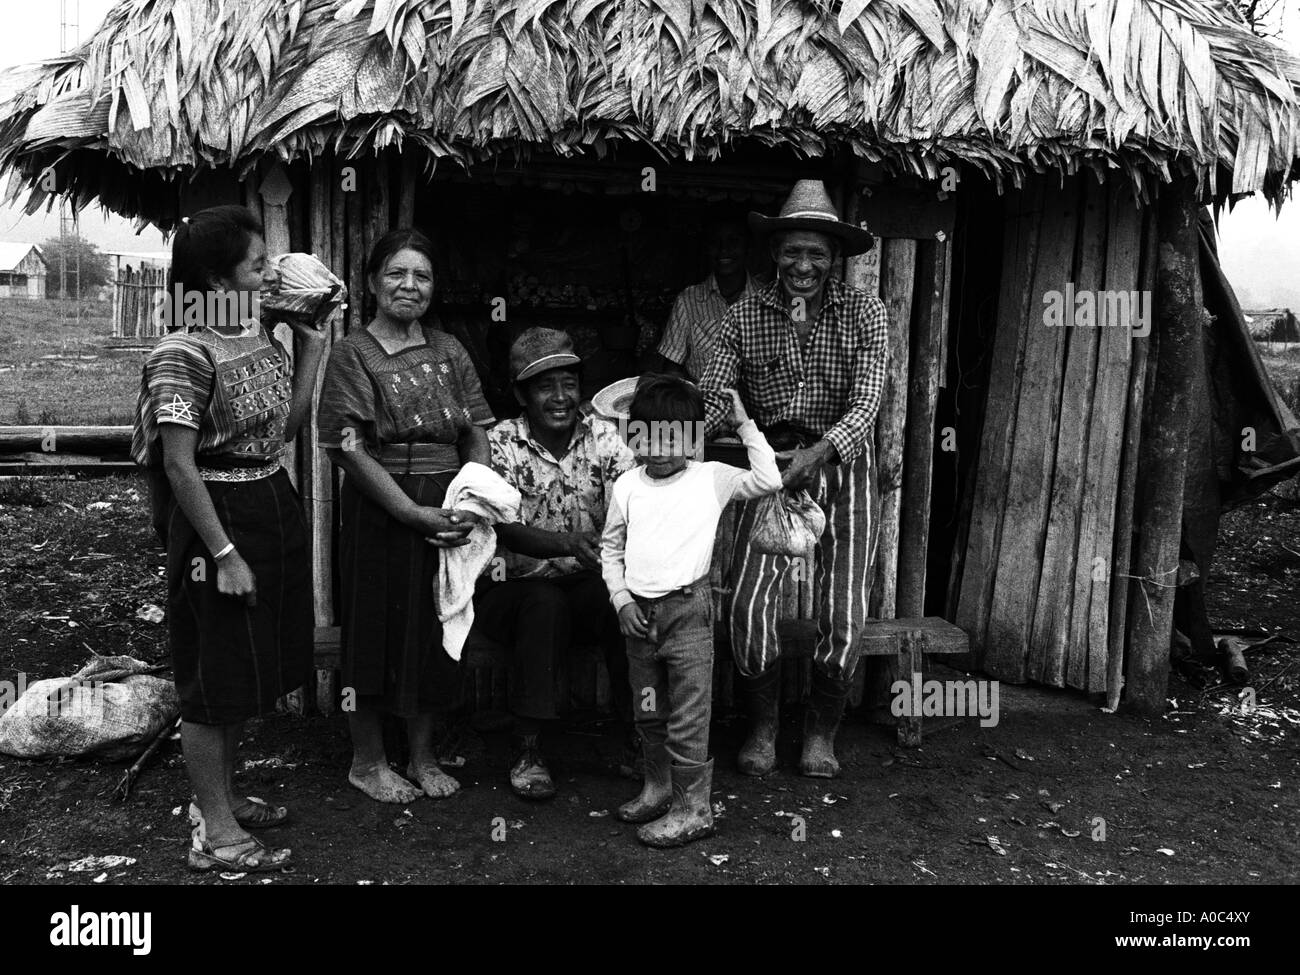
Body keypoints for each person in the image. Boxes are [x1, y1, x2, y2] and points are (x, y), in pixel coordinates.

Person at [130, 205, 326, 872]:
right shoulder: (182, 353)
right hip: (217, 517)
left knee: (247, 669)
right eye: (257, 265)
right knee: (213, 679)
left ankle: (226, 796)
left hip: (270, 499)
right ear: (217, 281)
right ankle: (214, 830)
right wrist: (223, 553)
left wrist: (314, 345)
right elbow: (180, 466)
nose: (270, 276)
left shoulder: (258, 338)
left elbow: (285, 431)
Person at [699, 179, 890, 779]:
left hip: (847, 464)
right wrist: (664, 426)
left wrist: (824, 451)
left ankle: (820, 733)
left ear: (835, 257)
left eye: (816, 254)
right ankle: (761, 727)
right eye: (792, 252)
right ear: (774, 253)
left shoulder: (866, 312)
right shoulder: (745, 314)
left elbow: (868, 400)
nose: (803, 265)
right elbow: (715, 396)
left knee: (846, 606)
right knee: (749, 605)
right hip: (775, 468)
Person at [319, 228, 494, 804]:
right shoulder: (353, 353)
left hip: (446, 504)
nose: (409, 286)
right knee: (374, 627)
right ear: (372, 282)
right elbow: (347, 447)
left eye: (421, 276)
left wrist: (470, 499)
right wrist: (408, 511)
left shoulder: (448, 348)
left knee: (437, 624)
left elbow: (476, 431)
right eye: (397, 273)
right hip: (382, 506)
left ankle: (422, 755)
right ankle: (367, 762)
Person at [601, 375, 781, 847]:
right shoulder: (625, 487)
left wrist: (745, 426)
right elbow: (611, 550)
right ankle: (657, 788)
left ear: (693, 437)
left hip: (690, 615)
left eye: (675, 435)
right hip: (639, 620)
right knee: (649, 711)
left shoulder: (711, 478)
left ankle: (693, 809)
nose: (661, 446)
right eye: (649, 434)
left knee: (688, 716)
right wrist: (621, 600)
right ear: (633, 435)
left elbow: (769, 479)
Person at [477, 327, 636, 799]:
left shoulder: (603, 437)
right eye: (545, 386)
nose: (561, 396)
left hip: (583, 581)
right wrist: (568, 544)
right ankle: (529, 747)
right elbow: (502, 526)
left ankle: (636, 736)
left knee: (619, 603)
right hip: (511, 590)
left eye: (568, 383)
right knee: (543, 604)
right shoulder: (500, 442)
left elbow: (631, 497)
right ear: (522, 394)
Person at [653, 214, 758, 380]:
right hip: (703, 402)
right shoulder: (688, 301)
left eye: (733, 241)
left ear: (748, 247)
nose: (724, 249)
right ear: (706, 248)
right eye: (715, 242)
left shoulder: (767, 299)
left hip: (754, 406)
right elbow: (672, 370)